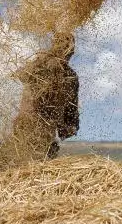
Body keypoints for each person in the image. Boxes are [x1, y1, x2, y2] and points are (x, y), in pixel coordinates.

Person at [10, 32, 80, 160]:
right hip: (27, 126)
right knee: (20, 163)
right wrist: (43, 60)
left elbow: (71, 107)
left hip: (47, 132)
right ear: (55, 47)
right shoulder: (41, 63)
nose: (69, 53)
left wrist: (70, 124)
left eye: (70, 50)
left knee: (41, 166)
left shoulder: (71, 77)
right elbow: (21, 75)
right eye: (66, 48)